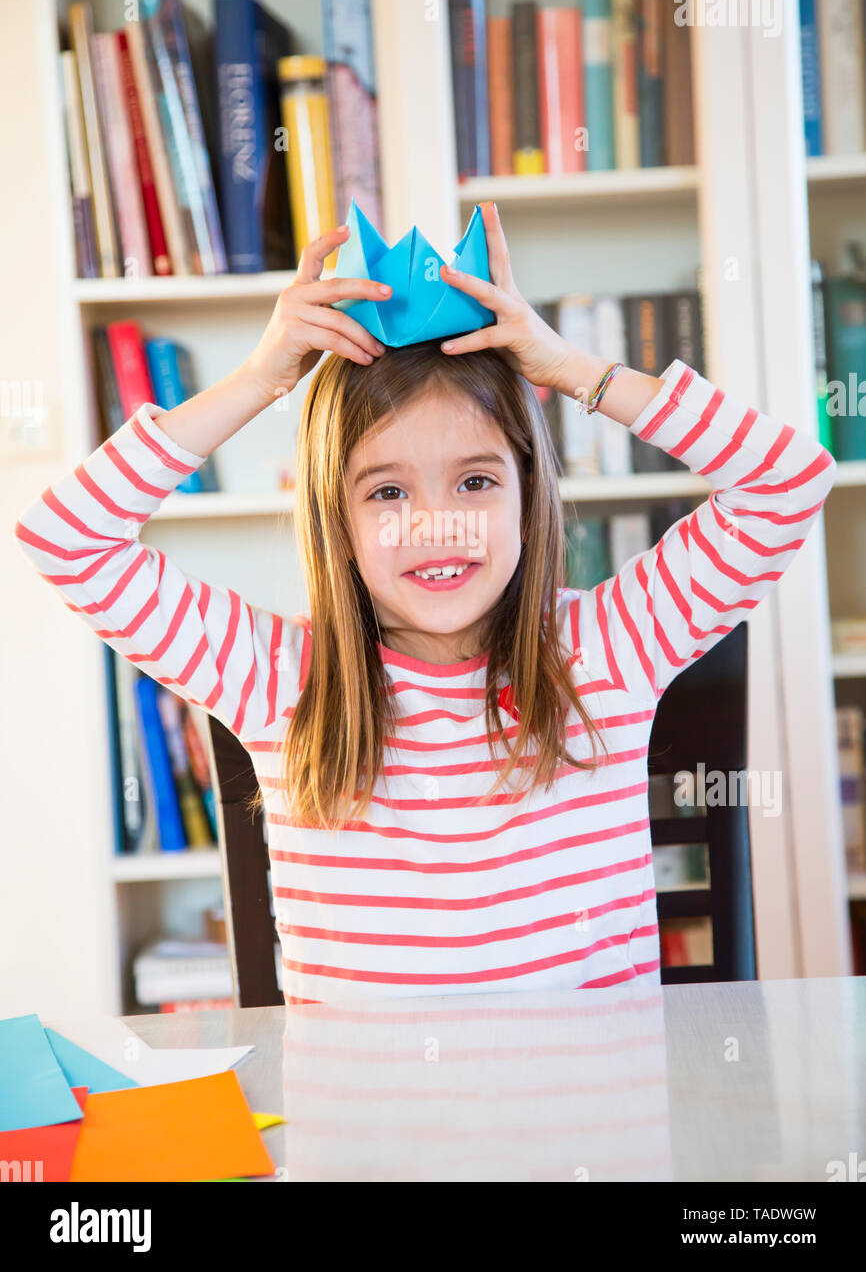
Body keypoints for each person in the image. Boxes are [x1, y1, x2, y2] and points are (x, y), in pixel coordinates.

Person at [14, 203, 835, 1005]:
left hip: (586, 1131)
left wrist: (576, 372)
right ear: (336, 519)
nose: (436, 524)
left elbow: (788, 484)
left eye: (475, 481)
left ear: (527, 495)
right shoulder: (275, 678)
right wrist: (260, 379)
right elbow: (67, 537)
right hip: (368, 1137)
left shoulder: (607, 648)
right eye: (387, 492)